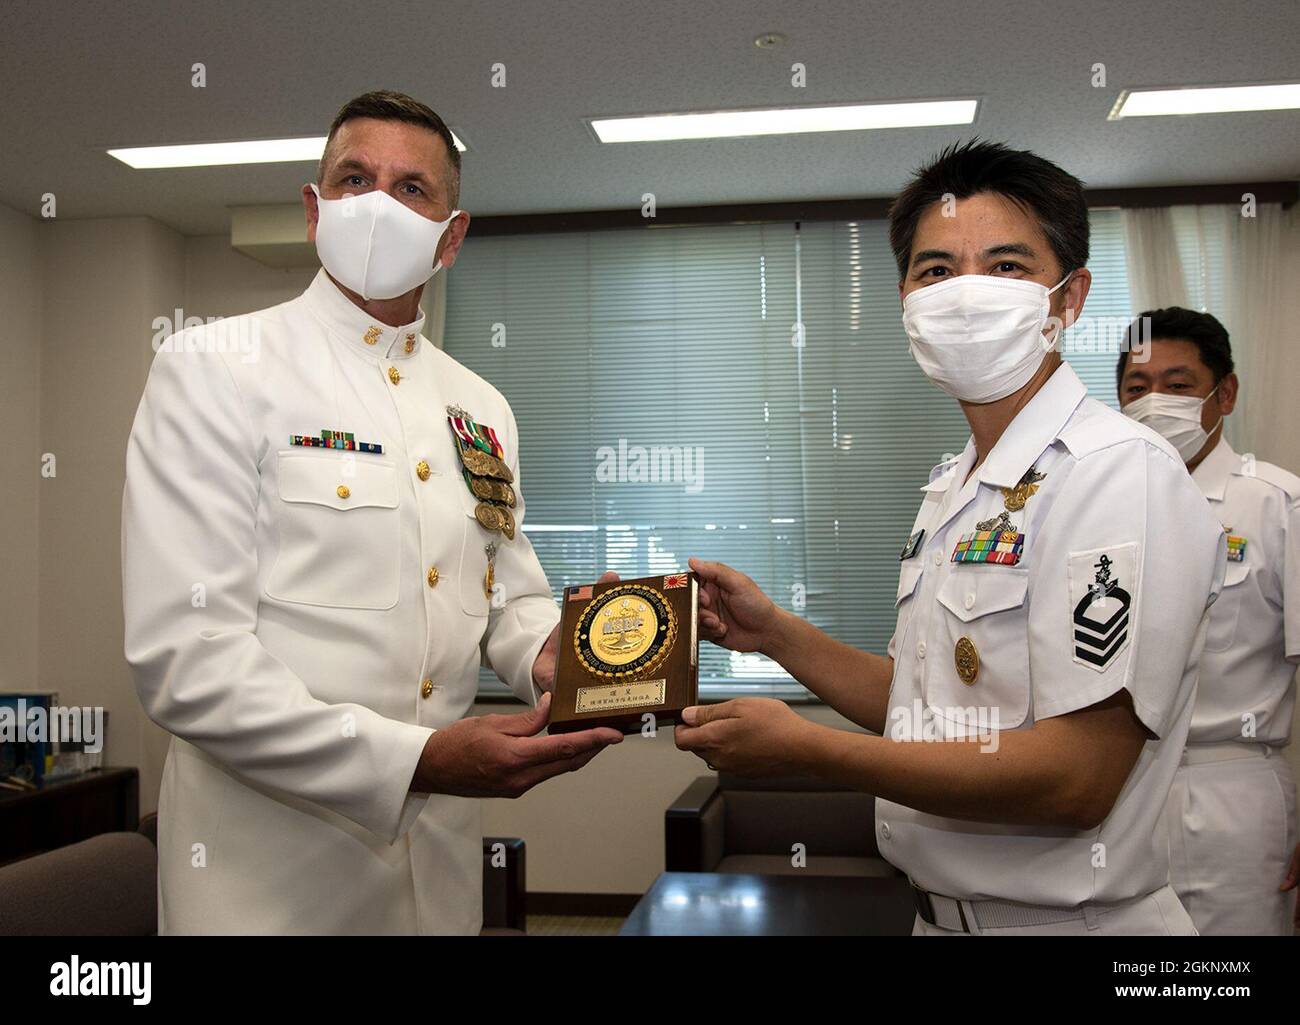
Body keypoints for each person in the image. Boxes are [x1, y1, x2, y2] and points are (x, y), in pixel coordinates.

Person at [675, 140, 1226, 935]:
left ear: (1068, 298)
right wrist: (777, 635)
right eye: (936, 271)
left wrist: (808, 750)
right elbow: (926, 707)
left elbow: (1077, 777)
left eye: (1005, 267)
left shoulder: (1116, 471)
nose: (965, 293)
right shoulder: (957, 485)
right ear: (904, 297)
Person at [121, 90, 621, 935]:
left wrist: (558, 650)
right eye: (355, 179)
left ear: (451, 236)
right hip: (264, 890)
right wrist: (419, 757)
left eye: (411, 188)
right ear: (316, 210)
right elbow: (187, 659)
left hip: (439, 882)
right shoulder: (212, 367)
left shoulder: (481, 405)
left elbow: (501, 594)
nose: (378, 206)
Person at [1118, 306, 1299, 934]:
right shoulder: (1102, 510)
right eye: (1137, 388)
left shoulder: (1277, 505)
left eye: (1178, 384)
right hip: (1118, 790)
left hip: (1232, 786)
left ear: (1225, 394)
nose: (1154, 401)